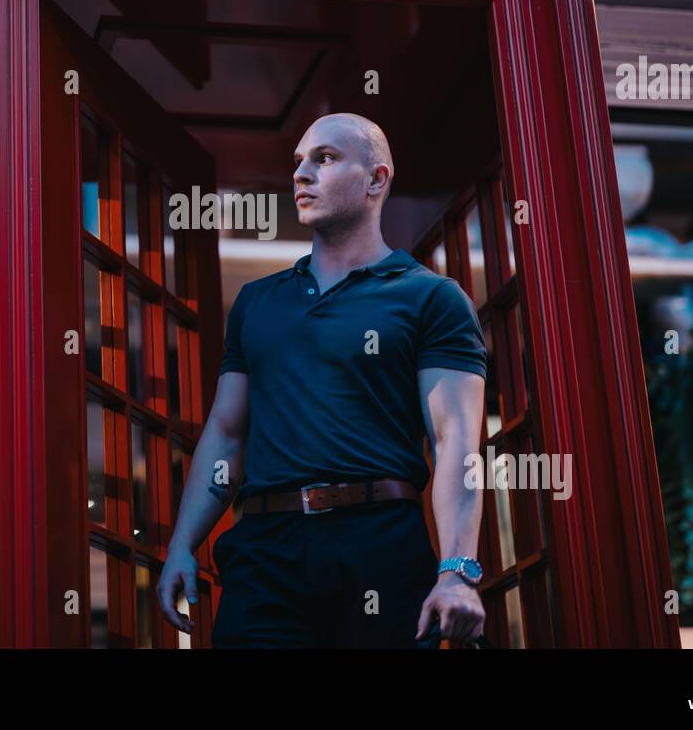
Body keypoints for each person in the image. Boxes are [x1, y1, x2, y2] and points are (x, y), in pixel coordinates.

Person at [157, 113, 488, 648]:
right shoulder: (256, 303)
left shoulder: (431, 298)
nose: (301, 174)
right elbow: (226, 433)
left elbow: (456, 441)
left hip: (379, 547)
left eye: (325, 158)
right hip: (264, 553)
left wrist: (456, 570)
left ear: (376, 180)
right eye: (298, 162)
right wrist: (181, 543)